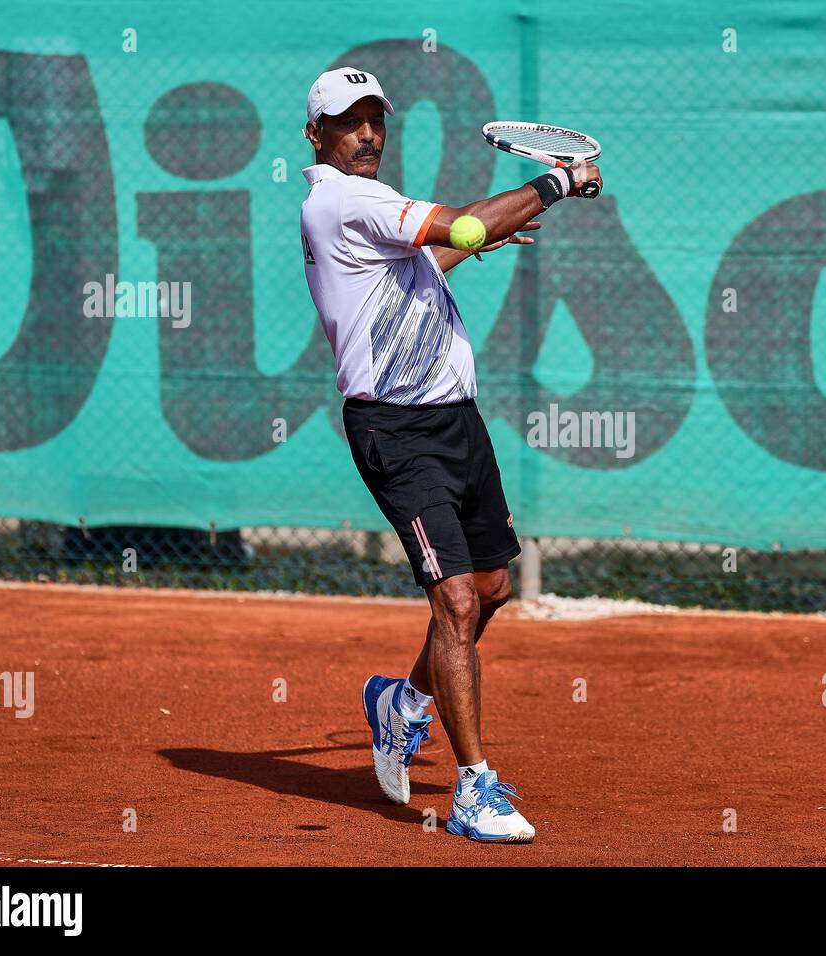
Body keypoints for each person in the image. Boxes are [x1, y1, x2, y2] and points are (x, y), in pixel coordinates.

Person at [299, 67, 602, 843]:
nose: (367, 134)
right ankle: (474, 790)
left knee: (494, 587)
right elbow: (463, 227)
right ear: (317, 134)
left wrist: (482, 233)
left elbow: (425, 264)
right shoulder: (340, 197)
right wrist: (557, 183)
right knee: (456, 603)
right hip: (396, 432)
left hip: (458, 423)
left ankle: (401, 703)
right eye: (350, 121)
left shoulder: (367, 211)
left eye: (377, 120)